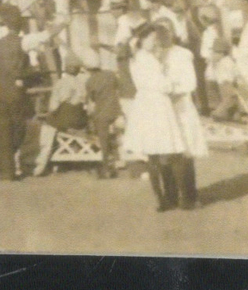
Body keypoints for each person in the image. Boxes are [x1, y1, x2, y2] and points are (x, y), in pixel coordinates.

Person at [125, 26, 185, 211]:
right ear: (142, 40)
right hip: (156, 105)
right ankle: (172, 196)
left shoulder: (137, 58)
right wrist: (173, 83)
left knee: (153, 154)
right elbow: (161, 85)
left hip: (145, 104)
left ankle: (163, 198)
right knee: (166, 151)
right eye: (151, 39)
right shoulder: (147, 59)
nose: (155, 42)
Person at [153, 19, 207, 208]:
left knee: (183, 152)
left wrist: (170, 90)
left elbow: (190, 83)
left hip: (180, 107)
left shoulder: (183, 54)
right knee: (164, 153)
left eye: (165, 31)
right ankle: (170, 196)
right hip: (161, 109)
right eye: (157, 31)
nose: (161, 35)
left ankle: (189, 197)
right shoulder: (152, 56)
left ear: (173, 33)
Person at [0, 4, 29, 180]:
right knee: (19, 128)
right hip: (13, 89)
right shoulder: (22, 42)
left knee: (3, 130)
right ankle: (3, 164)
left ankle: (6, 170)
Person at [84, 49, 124, 178]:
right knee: (117, 136)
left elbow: (92, 100)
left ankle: (106, 165)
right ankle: (118, 160)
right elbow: (119, 88)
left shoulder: (90, 81)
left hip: (102, 113)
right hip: (116, 110)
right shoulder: (110, 74)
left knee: (103, 138)